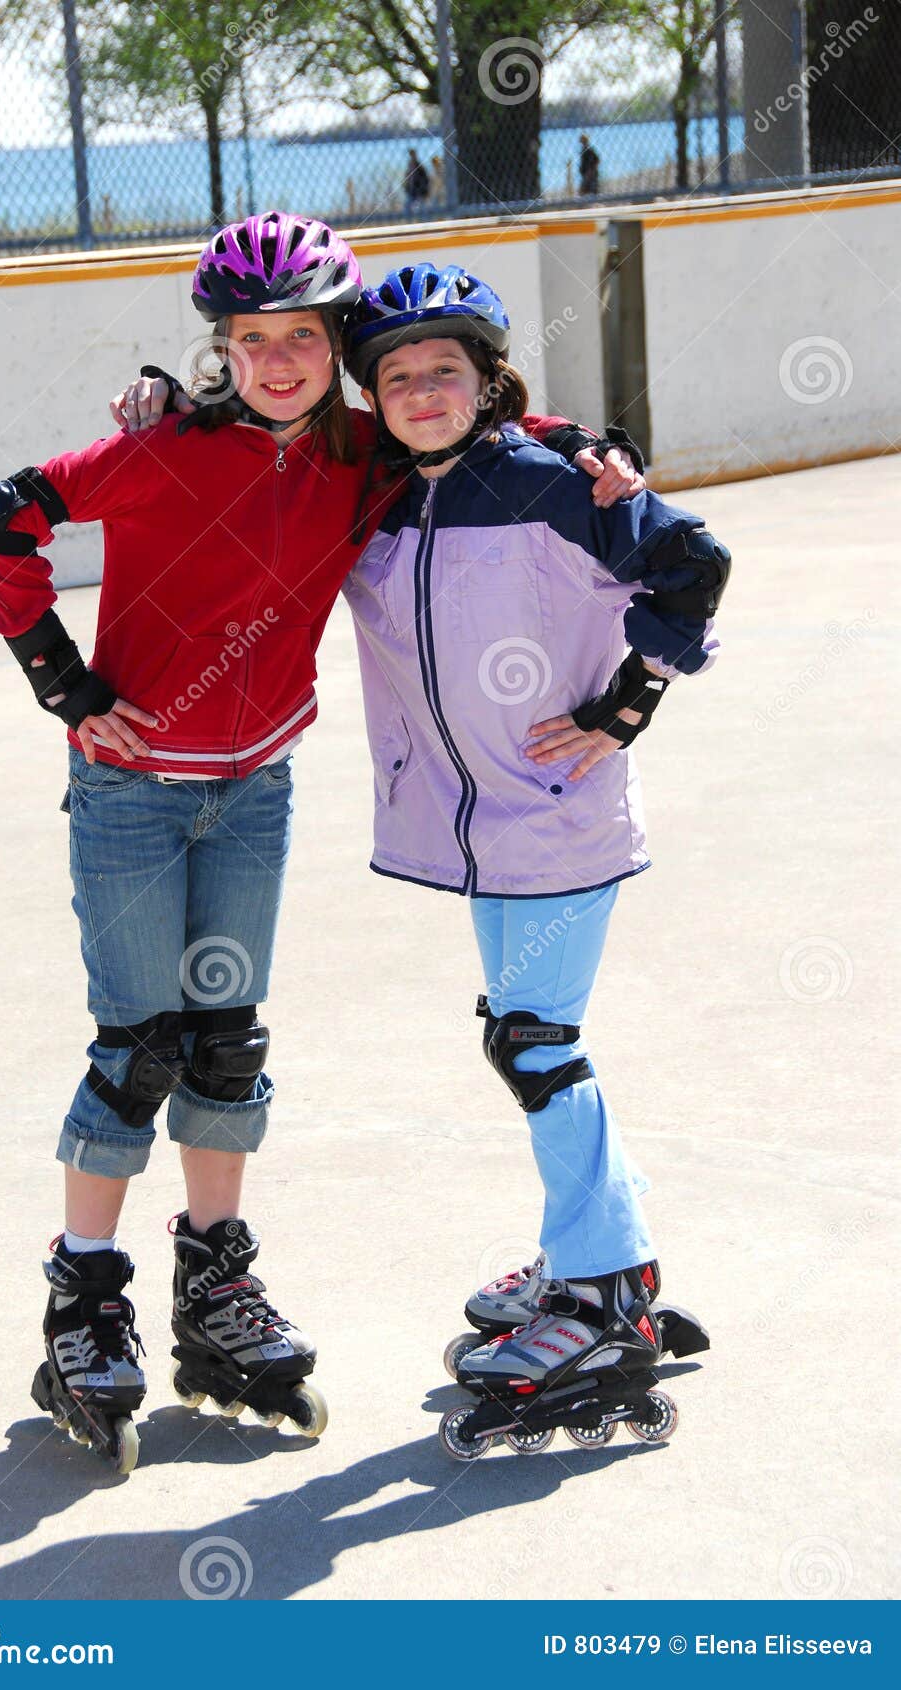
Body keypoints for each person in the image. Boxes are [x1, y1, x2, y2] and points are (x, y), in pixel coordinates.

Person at [0, 212, 642, 1472]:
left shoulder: (358, 454)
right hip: (131, 789)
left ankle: (216, 1291)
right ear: (220, 345)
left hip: (255, 781)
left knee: (227, 1042)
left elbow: (477, 430)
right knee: (138, 1044)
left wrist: (587, 445)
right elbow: (7, 516)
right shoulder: (164, 444)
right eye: (249, 340)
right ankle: (85, 1301)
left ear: (336, 341)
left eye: (301, 337)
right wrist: (63, 683)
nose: (277, 361)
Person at [339, 263, 729, 1459]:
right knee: (520, 1033)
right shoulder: (377, 497)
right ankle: (593, 1247)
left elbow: (693, 565)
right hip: (471, 825)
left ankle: (605, 1294)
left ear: (486, 376)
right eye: (396, 376)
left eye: (443, 369)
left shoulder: (557, 484)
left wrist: (627, 705)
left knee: (535, 1040)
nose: (419, 391)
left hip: (560, 811)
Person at [404, 148, 429, 213]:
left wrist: (424, 190)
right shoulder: (409, 165)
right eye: (411, 154)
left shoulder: (419, 166)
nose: (412, 156)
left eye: (413, 154)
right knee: (408, 207)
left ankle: (424, 221)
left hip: (419, 190)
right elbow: (407, 178)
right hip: (411, 191)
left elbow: (425, 178)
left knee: (420, 208)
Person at [579, 132, 601, 196]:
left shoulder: (589, 150)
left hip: (590, 173)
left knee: (590, 190)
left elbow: (597, 160)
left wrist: (591, 170)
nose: (582, 143)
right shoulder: (583, 150)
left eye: (583, 141)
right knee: (584, 191)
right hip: (586, 174)